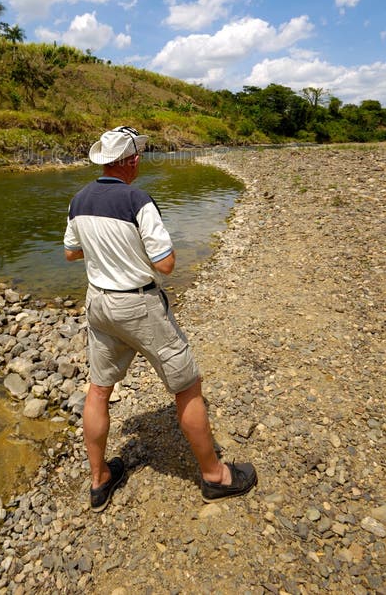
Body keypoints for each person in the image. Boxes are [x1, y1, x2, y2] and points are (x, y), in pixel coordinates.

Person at [64, 125, 257, 512]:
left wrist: (108, 251)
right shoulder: (138, 199)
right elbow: (166, 264)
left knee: (99, 389)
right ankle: (215, 477)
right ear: (132, 161)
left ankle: (99, 480)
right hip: (138, 306)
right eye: (139, 156)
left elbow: (71, 254)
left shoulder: (79, 199)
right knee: (187, 385)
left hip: (98, 304)